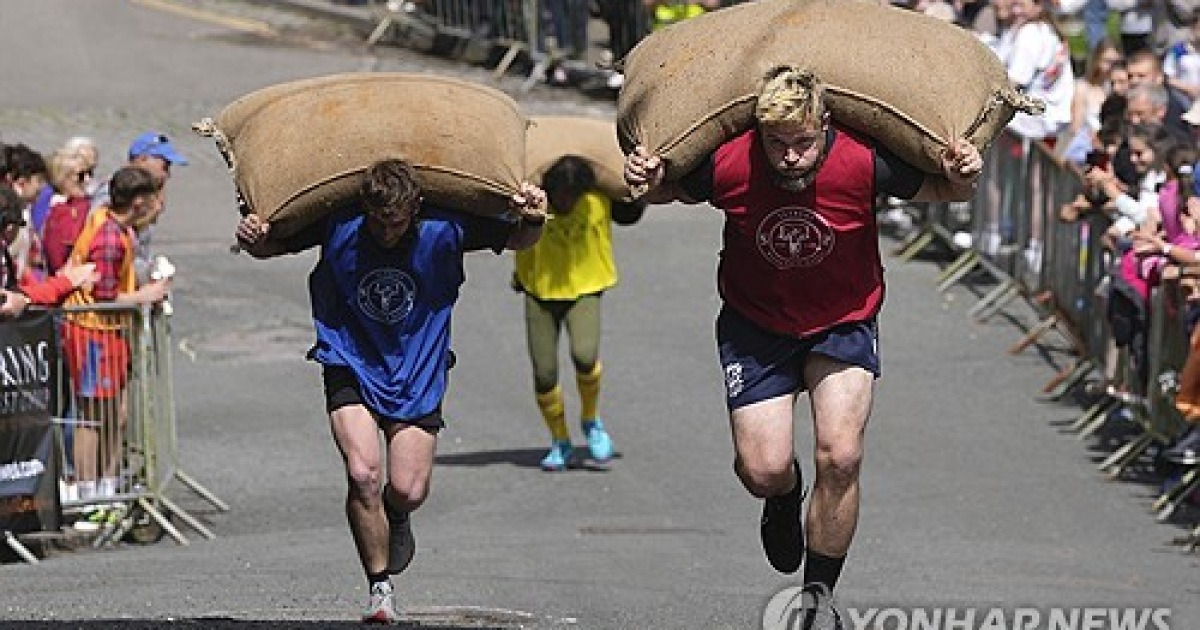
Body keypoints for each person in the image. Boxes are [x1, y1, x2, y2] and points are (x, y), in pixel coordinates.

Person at [623, 66, 983, 617]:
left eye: (803, 142)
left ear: (825, 125)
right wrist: (644, 173)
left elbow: (946, 189)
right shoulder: (731, 160)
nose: (790, 156)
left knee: (841, 455)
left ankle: (817, 598)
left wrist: (965, 170)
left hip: (843, 321)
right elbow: (666, 188)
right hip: (756, 326)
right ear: (759, 134)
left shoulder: (863, 161)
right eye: (777, 144)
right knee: (763, 469)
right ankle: (784, 497)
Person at [234, 159, 547, 624]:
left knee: (407, 489)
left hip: (418, 372)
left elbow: (521, 238)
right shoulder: (339, 225)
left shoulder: (447, 228)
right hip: (350, 361)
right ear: (365, 208)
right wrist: (255, 237)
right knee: (363, 474)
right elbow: (274, 244)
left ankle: (396, 518)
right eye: (379, 222)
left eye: (396, 222)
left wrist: (535, 215)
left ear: (415, 208)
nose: (386, 232)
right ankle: (379, 588)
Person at [511, 156, 644, 471]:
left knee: (585, 355)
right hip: (539, 291)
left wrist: (640, 179)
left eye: (574, 195)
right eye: (562, 196)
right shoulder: (535, 203)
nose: (568, 202)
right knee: (544, 374)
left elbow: (632, 207)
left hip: (586, 287)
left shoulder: (599, 200)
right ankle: (560, 440)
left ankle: (590, 420)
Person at [61, 166, 171, 527]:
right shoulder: (108, 236)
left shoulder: (116, 225)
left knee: (117, 414)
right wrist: (146, 294)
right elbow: (105, 294)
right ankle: (88, 493)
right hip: (93, 331)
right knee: (93, 415)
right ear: (137, 201)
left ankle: (107, 486)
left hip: (106, 332)